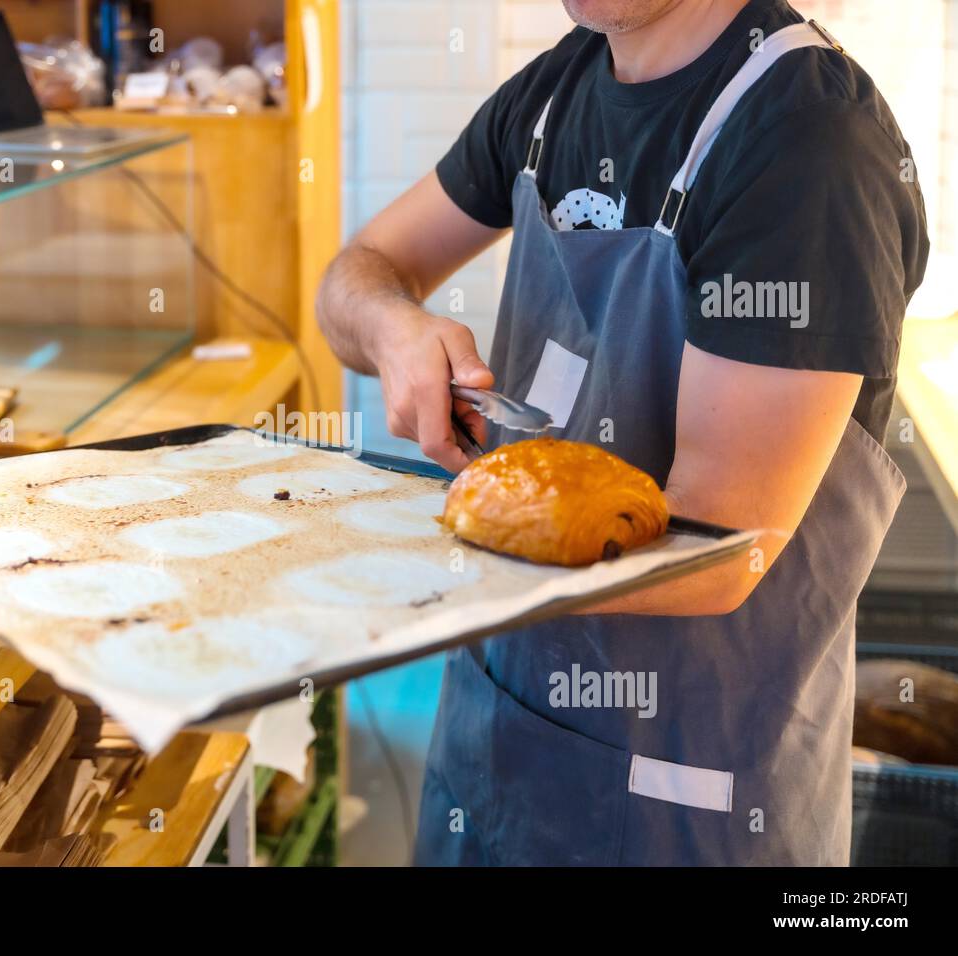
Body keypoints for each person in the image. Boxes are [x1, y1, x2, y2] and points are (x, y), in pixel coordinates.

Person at [316, 0, 929, 865]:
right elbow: (359, 273)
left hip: (687, 798)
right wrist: (394, 330)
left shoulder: (806, 143)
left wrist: (384, 562)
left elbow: (718, 550)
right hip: (494, 749)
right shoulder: (557, 92)